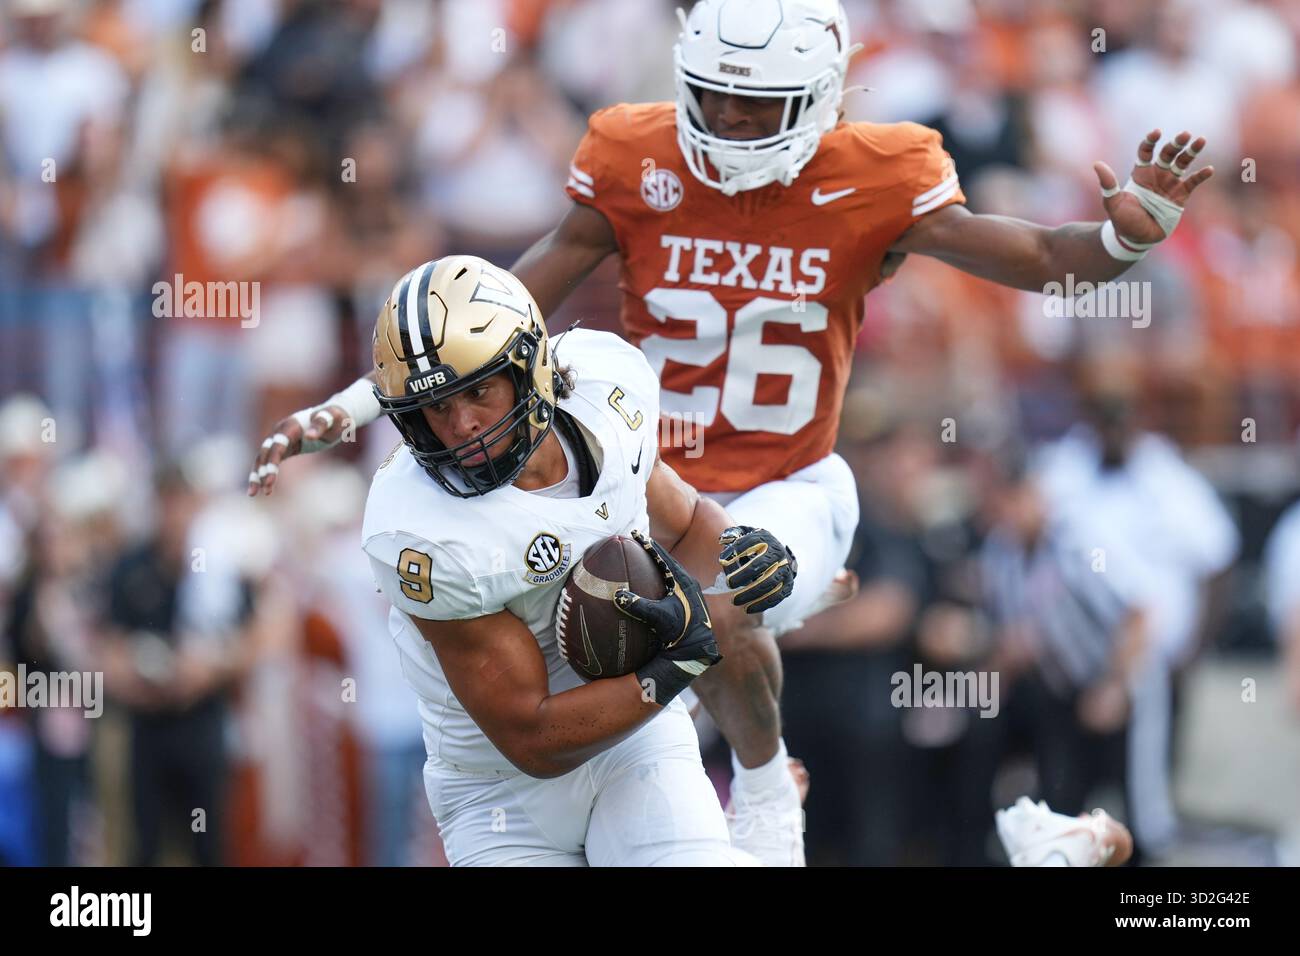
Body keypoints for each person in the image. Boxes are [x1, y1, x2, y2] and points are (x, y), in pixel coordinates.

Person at [248, 0, 1215, 865]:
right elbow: (501, 309)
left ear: (824, 96)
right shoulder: (637, 160)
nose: (733, 124)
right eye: (714, 99)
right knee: (649, 627)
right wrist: (359, 402)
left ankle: (767, 794)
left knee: (731, 588)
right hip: (646, 485)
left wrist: (1122, 237)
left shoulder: (878, 174)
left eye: (761, 107)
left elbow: (1045, 255)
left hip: (788, 482)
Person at [362, 255, 796, 865]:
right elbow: (532, 737)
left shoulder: (606, 393)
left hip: (634, 744)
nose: (461, 426)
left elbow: (689, 523)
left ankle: (770, 807)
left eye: (478, 391)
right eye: (436, 409)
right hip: (500, 791)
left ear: (530, 366)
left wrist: (740, 551)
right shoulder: (419, 530)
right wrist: (673, 669)